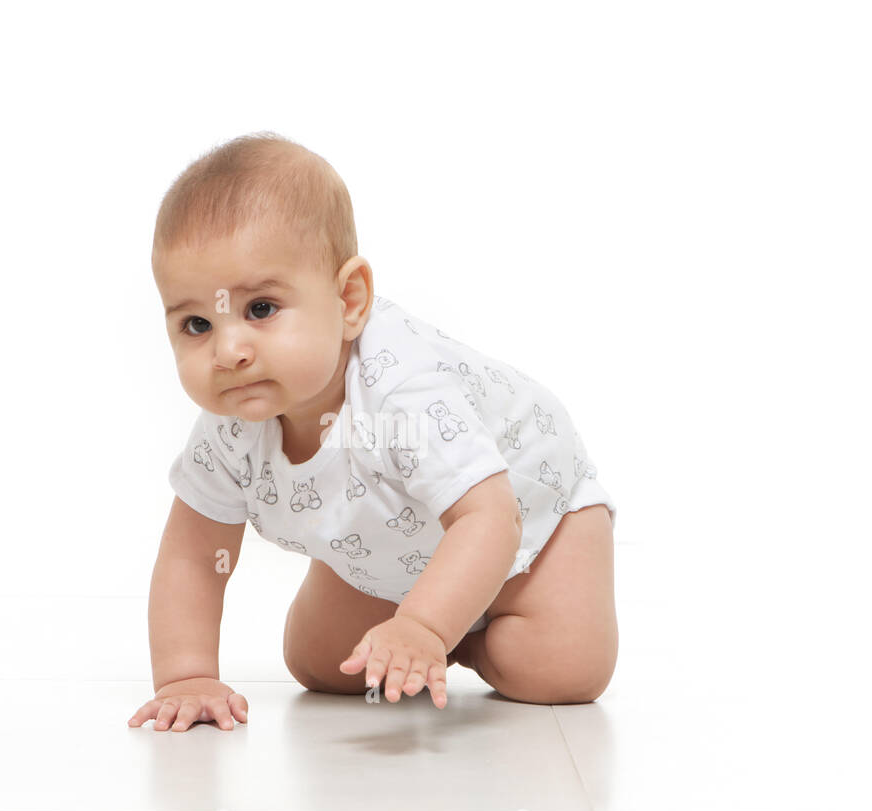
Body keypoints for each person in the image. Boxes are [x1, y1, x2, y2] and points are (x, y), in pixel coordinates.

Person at [128, 132, 618, 732]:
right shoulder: (229, 430)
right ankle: (432, 625)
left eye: (261, 309)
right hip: (401, 549)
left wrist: (424, 626)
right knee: (321, 664)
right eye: (197, 324)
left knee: (558, 672)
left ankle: (459, 634)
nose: (229, 351)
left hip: (534, 518)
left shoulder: (403, 392)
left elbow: (489, 518)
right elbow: (193, 557)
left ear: (350, 299)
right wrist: (186, 675)